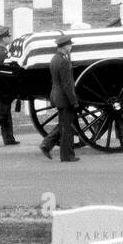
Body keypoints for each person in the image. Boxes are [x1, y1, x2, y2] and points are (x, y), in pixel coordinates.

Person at [40, 34, 81, 162]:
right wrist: (74, 101)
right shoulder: (63, 61)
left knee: (64, 125)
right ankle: (67, 156)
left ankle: (47, 145)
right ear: (65, 46)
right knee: (67, 128)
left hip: (57, 96)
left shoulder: (54, 59)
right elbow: (67, 85)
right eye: (70, 45)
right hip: (64, 98)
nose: (71, 47)